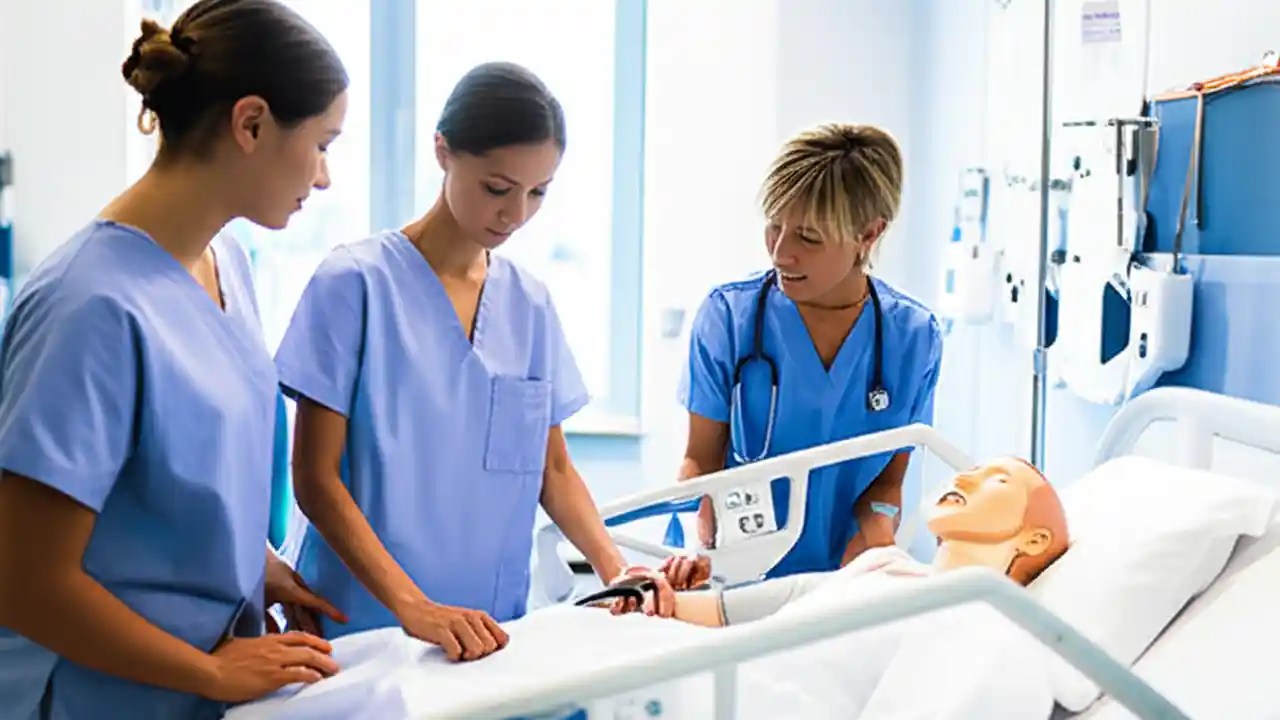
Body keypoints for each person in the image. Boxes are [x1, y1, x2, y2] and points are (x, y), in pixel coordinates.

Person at [0, 2, 352, 717]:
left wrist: (255, 568)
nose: (323, 178)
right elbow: (23, 582)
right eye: (321, 144)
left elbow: (173, 484)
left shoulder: (227, 263)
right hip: (95, 698)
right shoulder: (88, 307)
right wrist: (209, 671)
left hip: (193, 688)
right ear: (251, 124)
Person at [274, 61, 674, 664]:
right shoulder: (354, 283)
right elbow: (315, 478)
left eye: (537, 193)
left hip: (488, 632)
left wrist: (617, 569)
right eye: (497, 188)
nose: (516, 214)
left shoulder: (530, 304)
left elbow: (553, 469)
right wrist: (414, 607)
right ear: (443, 152)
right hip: (366, 623)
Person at [672, 123, 944, 581]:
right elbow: (700, 459)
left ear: (869, 234)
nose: (781, 253)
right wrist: (700, 539)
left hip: (840, 581)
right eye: (774, 226)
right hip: (730, 572)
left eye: (809, 237)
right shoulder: (730, 317)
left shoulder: (913, 338)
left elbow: (887, 481)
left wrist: (877, 541)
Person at [655, 457, 1069, 627]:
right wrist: (657, 599)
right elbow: (769, 603)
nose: (962, 478)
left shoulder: (985, 626)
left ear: (1036, 539)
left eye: (997, 480)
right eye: (972, 470)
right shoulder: (888, 566)